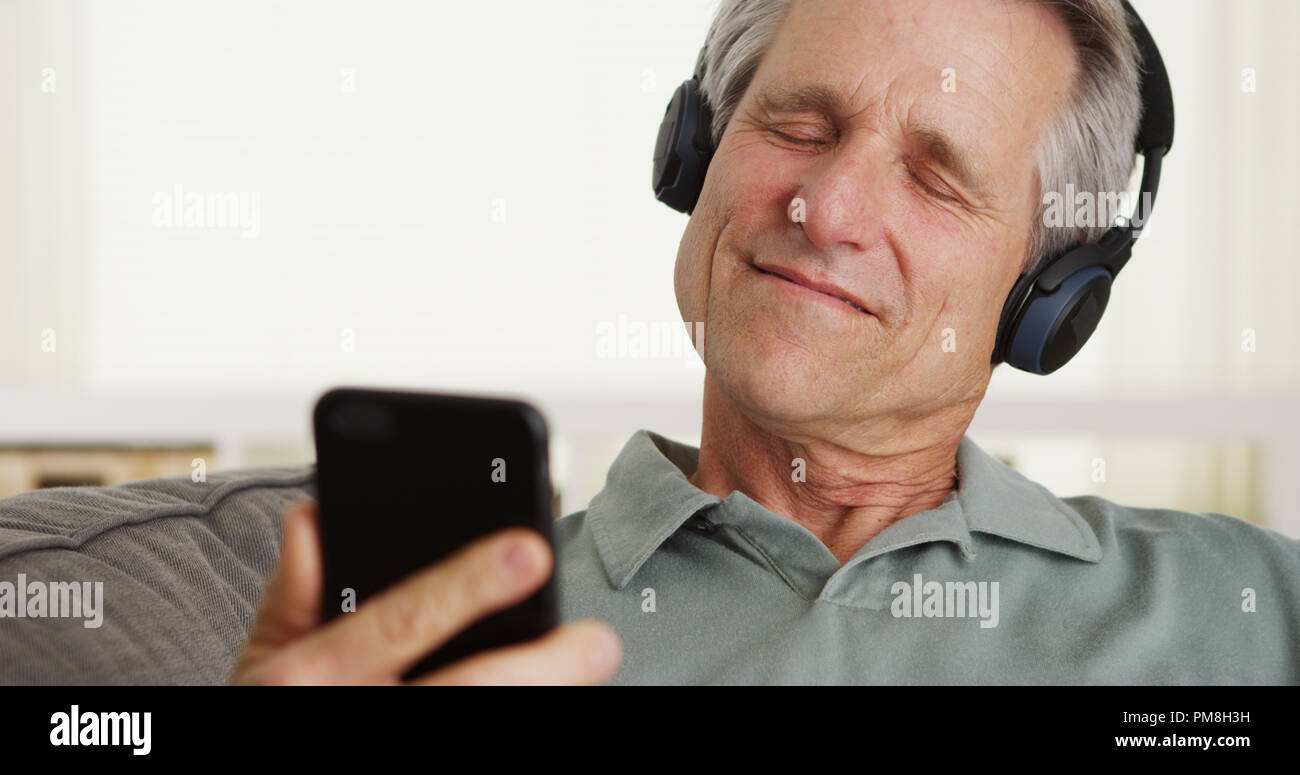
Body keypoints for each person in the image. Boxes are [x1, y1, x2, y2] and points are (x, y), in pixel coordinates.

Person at [232, 0, 1300, 685]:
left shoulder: (1254, 603)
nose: (825, 206)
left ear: (1049, 291)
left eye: (934, 176)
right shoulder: (437, 633)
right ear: (693, 156)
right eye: (798, 125)